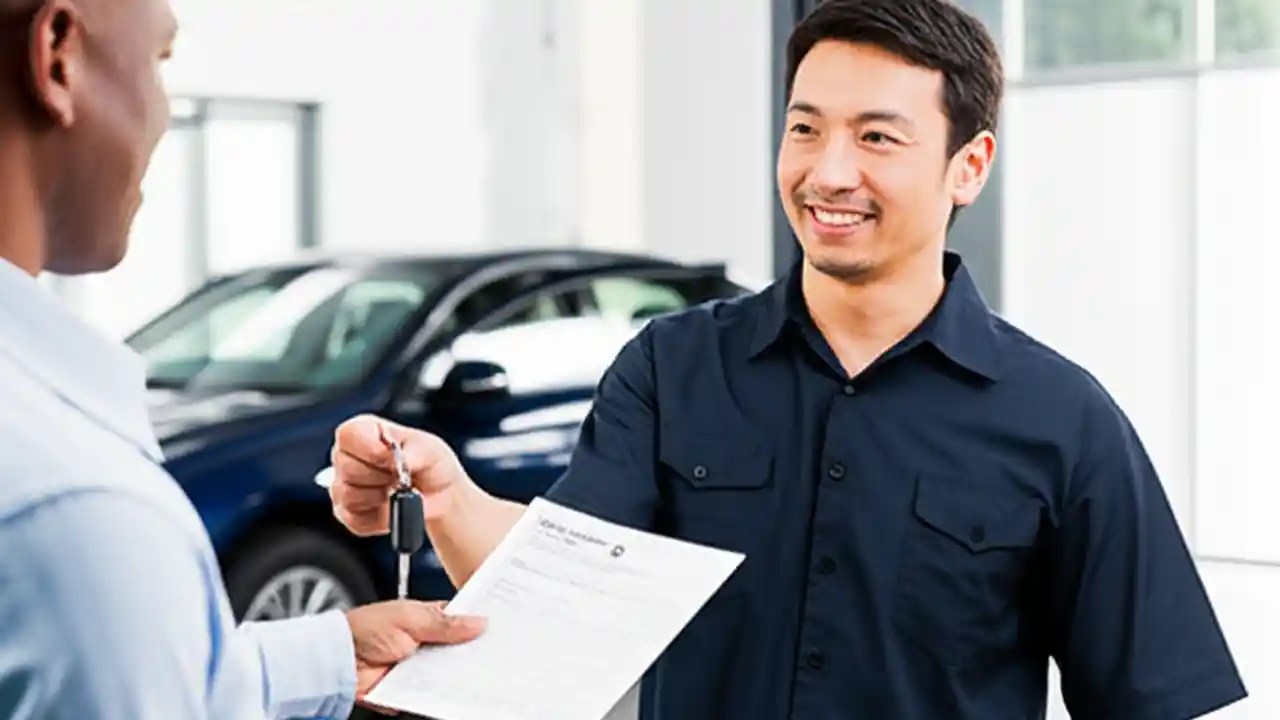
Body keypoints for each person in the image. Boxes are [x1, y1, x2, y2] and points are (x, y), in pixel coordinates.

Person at [330, 0, 1248, 718]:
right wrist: (448, 497)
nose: (828, 171)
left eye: (876, 137)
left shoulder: (1063, 419)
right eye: (806, 128)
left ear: (968, 166)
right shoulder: (673, 368)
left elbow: (1148, 697)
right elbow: (565, 598)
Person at [0, 0, 485, 717]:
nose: (163, 115)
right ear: (59, 56)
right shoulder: (75, 509)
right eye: (161, 61)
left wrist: (322, 657)